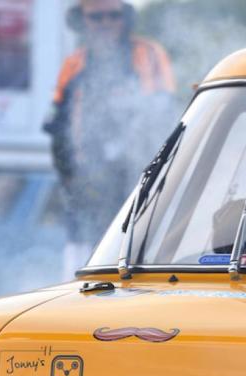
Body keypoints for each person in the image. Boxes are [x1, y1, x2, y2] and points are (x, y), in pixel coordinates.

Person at [44, 0, 176, 276]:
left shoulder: (148, 54)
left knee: (137, 249)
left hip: (138, 175)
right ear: (83, 22)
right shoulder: (74, 63)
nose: (105, 24)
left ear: (125, 19)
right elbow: (57, 124)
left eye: (113, 16)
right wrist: (68, 174)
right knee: (84, 249)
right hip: (88, 175)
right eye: (96, 18)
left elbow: (163, 110)